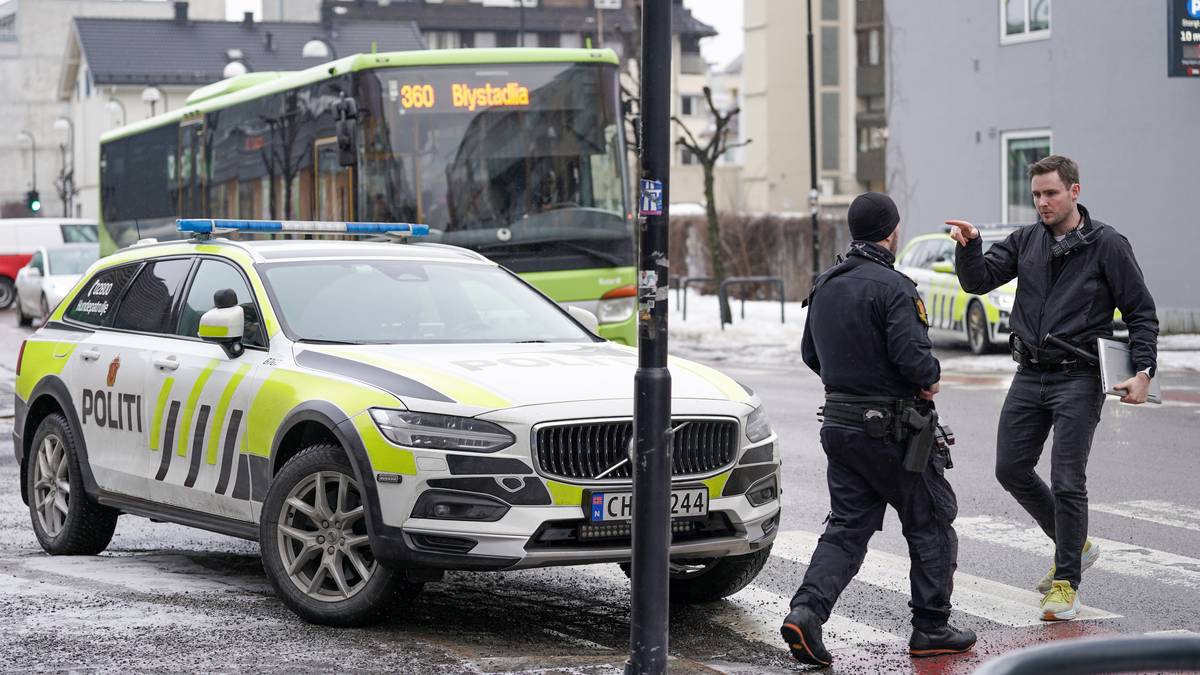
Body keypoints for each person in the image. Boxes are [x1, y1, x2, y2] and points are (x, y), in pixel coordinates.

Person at [946, 154, 1158, 621]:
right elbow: (977, 281)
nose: (1042, 202)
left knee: (1067, 479)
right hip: (1029, 373)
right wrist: (971, 245)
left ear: (1075, 191)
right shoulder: (1026, 241)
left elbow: (1141, 313)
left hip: (1079, 377)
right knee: (1010, 468)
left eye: (1051, 193)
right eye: (1037, 195)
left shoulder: (1108, 245)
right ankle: (1075, 544)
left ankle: (1066, 582)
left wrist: (1144, 371)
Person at [781, 192, 976, 667]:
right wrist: (928, 379)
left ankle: (806, 612)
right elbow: (916, 362)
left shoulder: (826, 283)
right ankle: (931, 627)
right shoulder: (895, 287)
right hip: (895, 432)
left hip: (841, 427)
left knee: (847, 528)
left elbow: (811, 355)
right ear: (891, 232)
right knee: (930, 523)